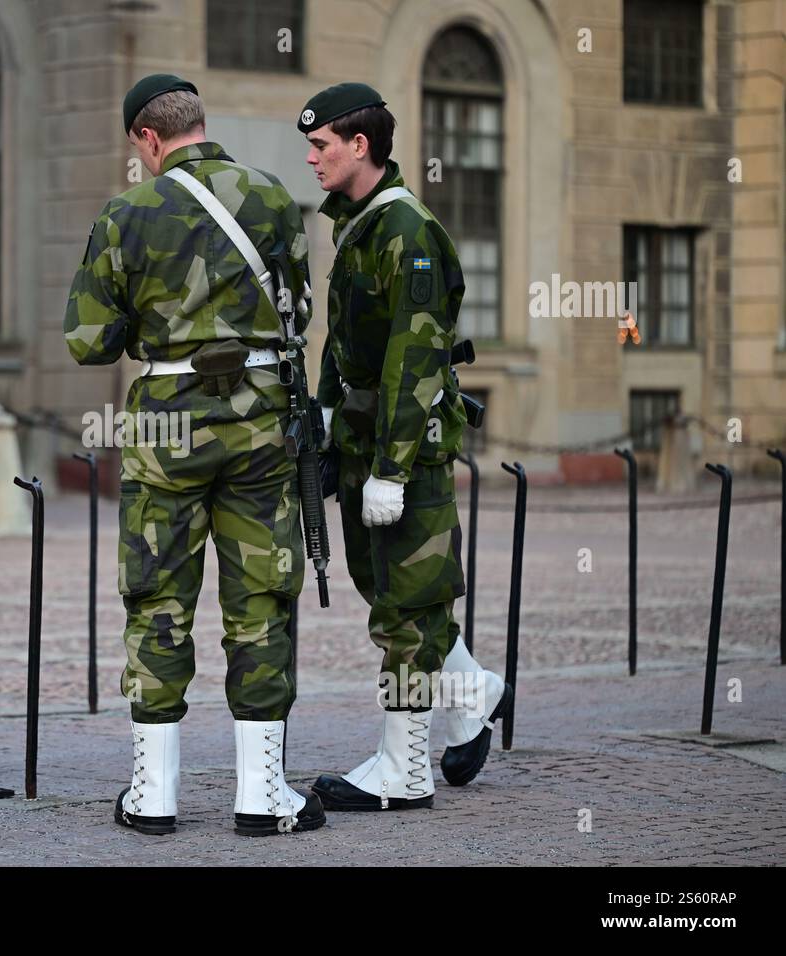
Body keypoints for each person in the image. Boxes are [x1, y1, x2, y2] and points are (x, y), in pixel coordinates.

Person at [65, 74, 325, 837]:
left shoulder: (127, 212)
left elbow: (87, 341)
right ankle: (262, 795)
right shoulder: (274, 197)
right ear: (196, 124)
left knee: (157, 599)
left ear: (146, 138)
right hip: (258, 420)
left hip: (165, 426)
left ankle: (153, 796)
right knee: (261, 599)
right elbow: (300, 310)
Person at [296, 84, 512, 810]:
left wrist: (390, 470)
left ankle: (404, 770)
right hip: (366, 442)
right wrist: (327, 414)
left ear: (361, 146)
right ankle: (472, 690)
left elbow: (414, 361)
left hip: (405, 452)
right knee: (391, 591)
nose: (312, 157)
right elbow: (350, 345)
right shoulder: (359, 226)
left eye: (322, 144)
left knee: (405, 612)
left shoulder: (406, 233)